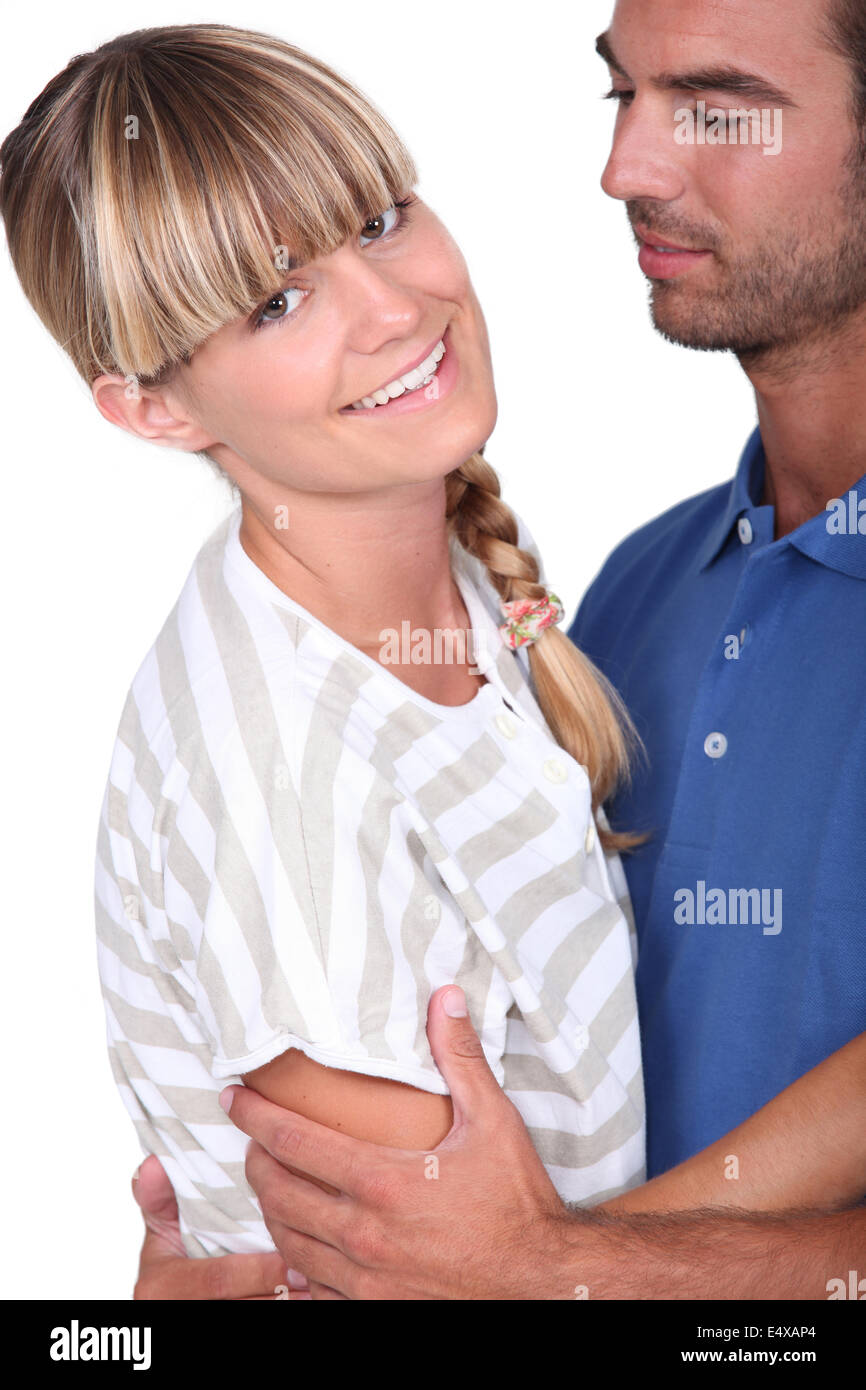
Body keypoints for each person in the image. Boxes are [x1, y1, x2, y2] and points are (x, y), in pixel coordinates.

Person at [129, 0, 866, 1298]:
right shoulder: (637, 595)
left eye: (712, 109)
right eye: (618, 98)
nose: (623, 168)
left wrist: (561, 1264)